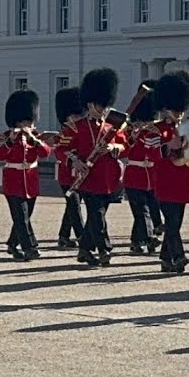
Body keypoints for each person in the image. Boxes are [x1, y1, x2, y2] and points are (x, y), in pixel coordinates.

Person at [58, 68, 127, 267]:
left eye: (105, 105)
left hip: (109, 178)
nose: (104, 109)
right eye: (100, 105)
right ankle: (105, 248)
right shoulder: (75, 127)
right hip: (88, 178)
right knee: (97, 215)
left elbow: (126, 146)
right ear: (90, 104)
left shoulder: (111, 127)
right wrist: (75, 161)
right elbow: (62, 149)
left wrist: (113, 147)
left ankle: (85, 250)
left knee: (98, 215)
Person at [150, 71, 189, 274]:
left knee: (175, 223)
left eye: (180, 109)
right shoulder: (155, 130)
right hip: (164, 181)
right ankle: (179, 256)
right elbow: (150, 152)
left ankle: (165, 258)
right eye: (173, 108)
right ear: (164, 108)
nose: (177, 113)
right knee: (171, 221)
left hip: (183, 180)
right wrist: (168, 145)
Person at [0, 89, 50, 261]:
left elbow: (45, 153)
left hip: (31, 181)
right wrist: (11, 141)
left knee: (24, 217)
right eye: (22, 122)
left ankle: (12, 244)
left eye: (28, 121)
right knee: (21, 216)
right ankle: (30, 247)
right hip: (13, 181)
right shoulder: (6, 137)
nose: (26, 125)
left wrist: (34, 140)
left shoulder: (36, 137)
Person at [122, 80, 162, 256]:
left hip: (153, 176)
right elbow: (124, 150)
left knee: (148, 211)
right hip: (134, 175)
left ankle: (136, 242)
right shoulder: (129, 129)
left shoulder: (157, 128)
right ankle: (148, 237)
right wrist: (134, 135)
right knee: (141, 211)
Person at [53, 87, 86, 250]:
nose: (78, 118)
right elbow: (61, 151)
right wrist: (73, 160)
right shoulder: (66, 133)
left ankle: (63, 236)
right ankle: (82, 236)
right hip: (68, 175)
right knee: (75, 205)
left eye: (80, 115)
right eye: (75, 115)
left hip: (82, 175)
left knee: (72, 205)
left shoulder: (84, 130)